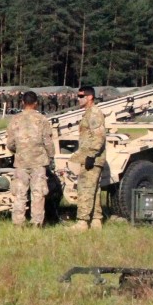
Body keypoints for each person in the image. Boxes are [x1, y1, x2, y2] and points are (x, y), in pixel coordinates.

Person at [5, 91, 56, 226]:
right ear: (36, 104)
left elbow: (10, 143)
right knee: (38, 194)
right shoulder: (42, 120)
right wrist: (51, 156)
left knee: (20, 193)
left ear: (22, 102)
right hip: (38, 162)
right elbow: (48, 141)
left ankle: (18, 223)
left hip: (21, 162)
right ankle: (36, 223)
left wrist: (19, 151)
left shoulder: (15, 119)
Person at [69, 87, 106, 230]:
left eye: (80, 96)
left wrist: (91, 155)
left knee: (85, 189)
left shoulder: (94, 113)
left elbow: (99, 136)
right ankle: (96, 221)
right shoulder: (88, 113)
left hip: (92, 158)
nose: (78, 98)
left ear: (90, 97)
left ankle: (82, 222)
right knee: (94, 190)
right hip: (91, 157)